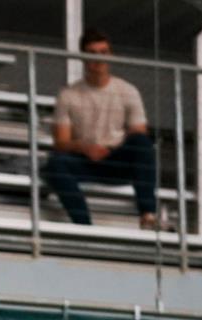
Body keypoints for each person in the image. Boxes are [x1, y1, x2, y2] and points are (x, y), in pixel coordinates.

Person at [44, 29, 158, 228]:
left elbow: (139, 131)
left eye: (103, 52)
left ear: (111, 55)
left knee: (142, 143)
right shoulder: (68, 95)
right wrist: (85, 148)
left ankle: (148, 215)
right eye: (92, 53)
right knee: (55, 165)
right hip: (84, 161)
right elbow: (61, 142)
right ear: (83, 58)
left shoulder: (127, 91)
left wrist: (112, 148)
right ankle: (85, 227)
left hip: (116, 159)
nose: (98, 59)